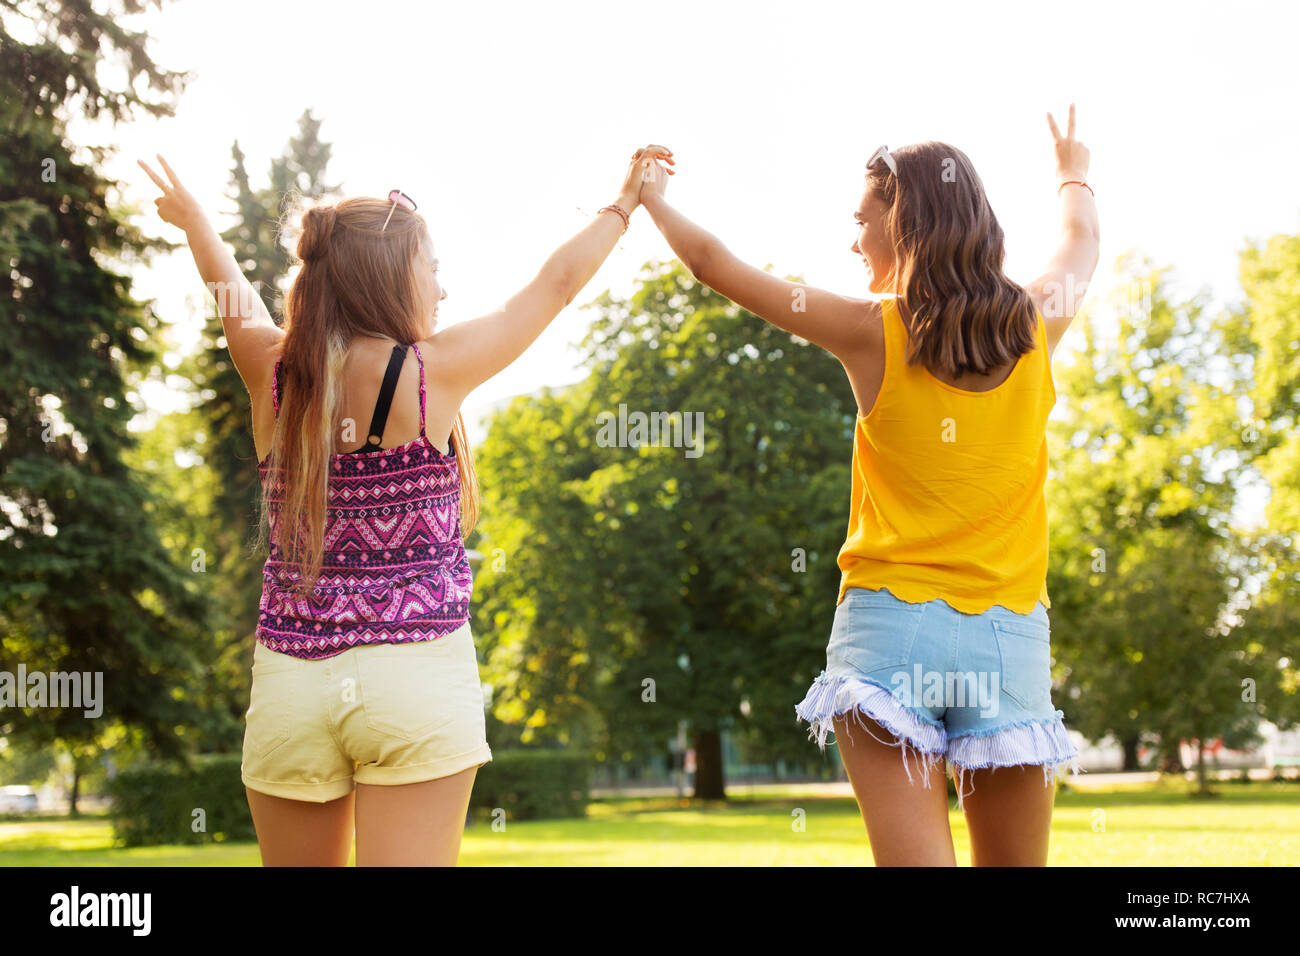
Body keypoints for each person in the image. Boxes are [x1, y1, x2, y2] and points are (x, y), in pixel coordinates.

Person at [139, 145, 667, 866]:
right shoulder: (428, 375)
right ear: (391, 277)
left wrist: (195, 221)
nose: (443, 292)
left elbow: (228, 288)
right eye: (433, 270)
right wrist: (623, 205)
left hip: (291, 679)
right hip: (412, 673)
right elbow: (555, 286)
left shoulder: (272, 371)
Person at [637, 105, 1098, 866]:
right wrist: (1071, 171)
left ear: (907, 222)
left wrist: (650, 196)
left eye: (864, 221)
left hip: (891, 632)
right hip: (1009, 638)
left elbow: (716, 265)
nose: (853, 241)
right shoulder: (1035, 325)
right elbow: (1081, 241)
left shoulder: (871, 329)